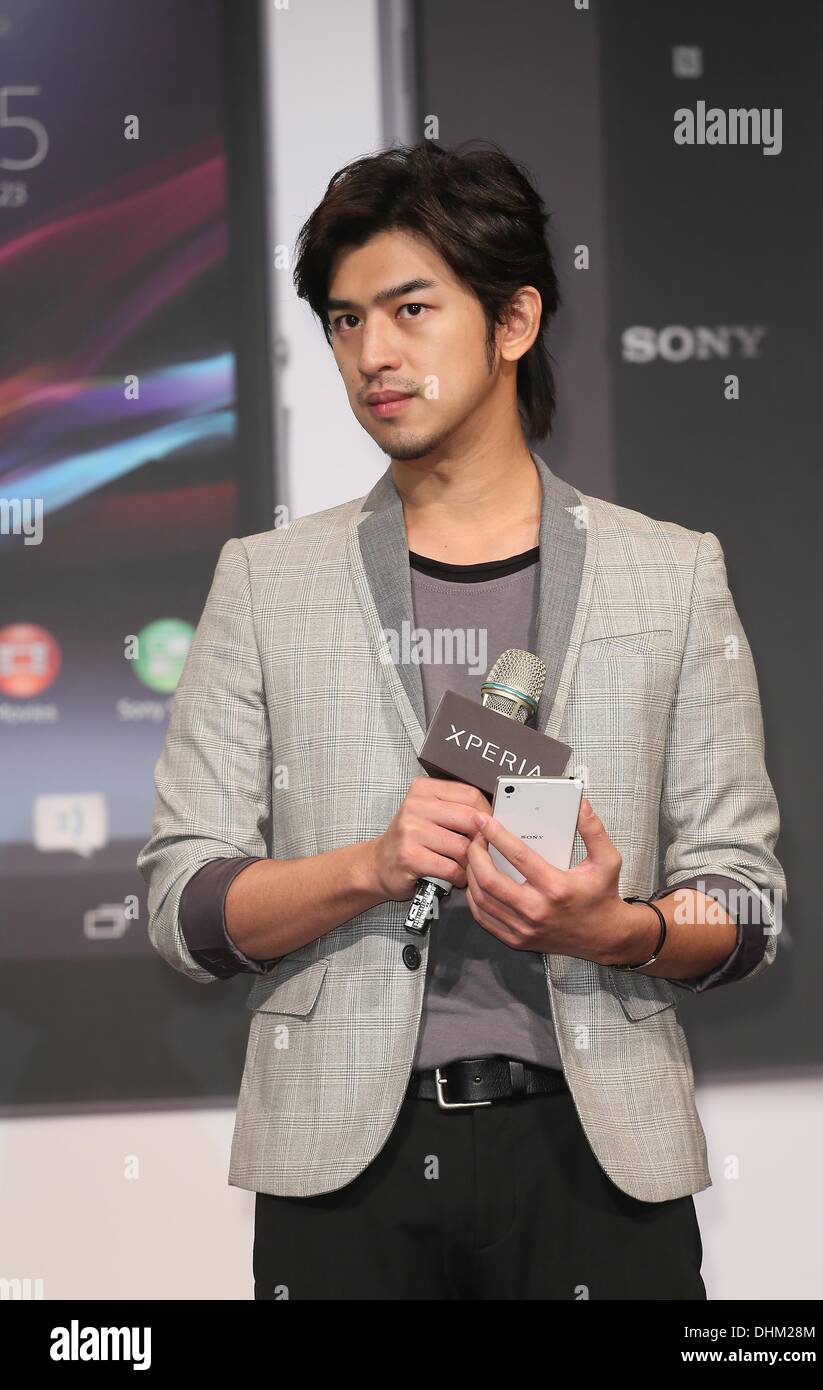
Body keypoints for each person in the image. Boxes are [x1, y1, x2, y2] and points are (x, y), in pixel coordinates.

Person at [137, 140, 786, 1300]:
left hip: (593, 1163)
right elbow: (183, 905)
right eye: (343, 321)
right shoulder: (264, 579)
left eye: (409, 308)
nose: (372, 354)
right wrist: (367, 866)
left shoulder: (671, 574)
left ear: (513, 320)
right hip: (345, 1172)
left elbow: (741, 902)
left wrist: (619, 931)